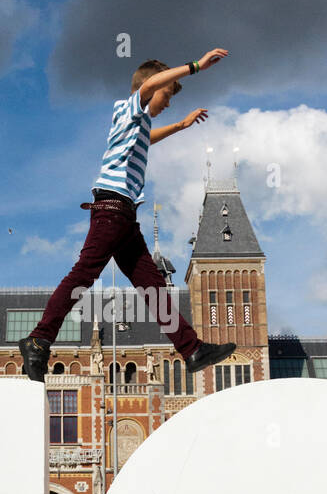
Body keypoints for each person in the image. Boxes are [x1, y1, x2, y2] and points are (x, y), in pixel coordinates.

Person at [17, 52, 237, 382]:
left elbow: (145, 140)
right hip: (111, 211)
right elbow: (150, 83)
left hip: (124, 217)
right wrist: (196, 67)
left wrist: (180, 125)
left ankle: (191, 350)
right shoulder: (128, 106)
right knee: (83, 274)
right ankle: (38, 339)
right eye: (166, 95)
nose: (167, 103)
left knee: (153, 287)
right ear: (149, 90)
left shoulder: (136, 125)